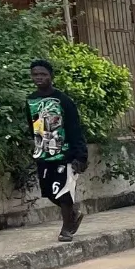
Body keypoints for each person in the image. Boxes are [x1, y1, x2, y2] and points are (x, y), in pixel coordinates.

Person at [27, 60, 89, 242]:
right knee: (48, 191)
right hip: (43, 153)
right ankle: (73, 214)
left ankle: (66, 228)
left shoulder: (64, 100)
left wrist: (80, 156)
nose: (39, 78)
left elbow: (74, 128)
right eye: (35, 74)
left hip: (65, 154)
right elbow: (32, 126)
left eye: (43, 74)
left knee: (64, 192)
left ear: (51, 76)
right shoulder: (31, 100)